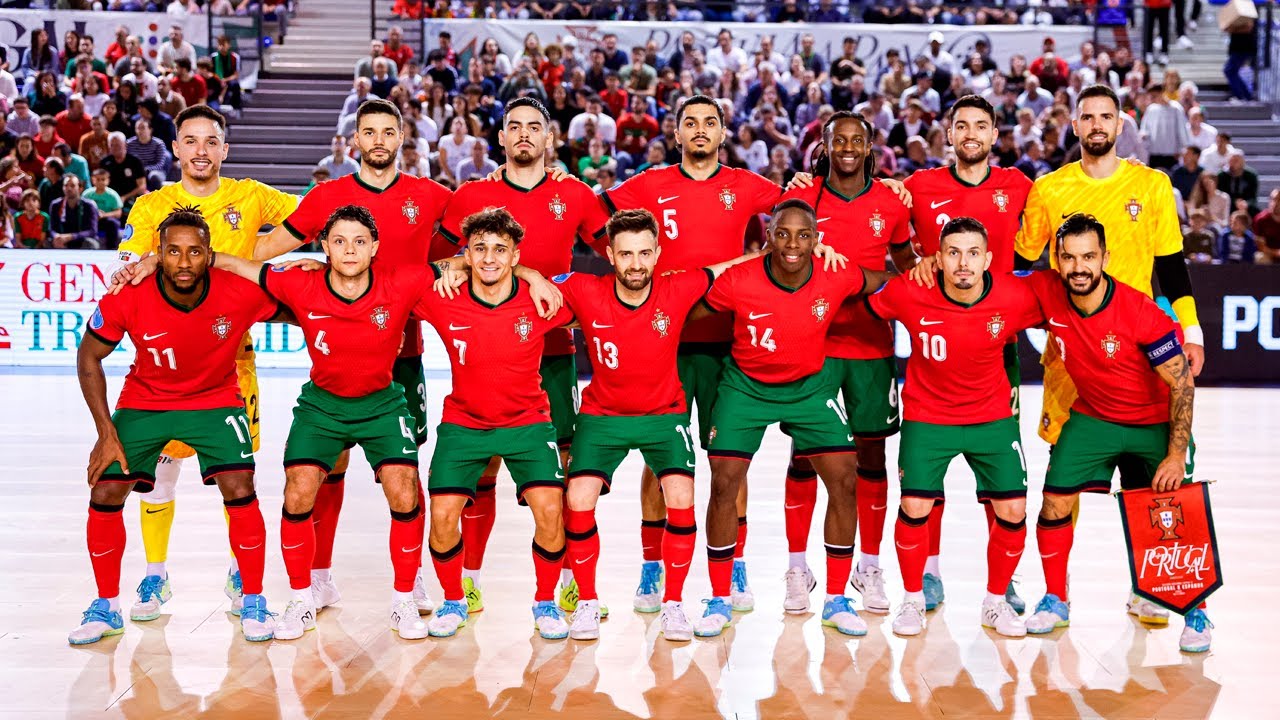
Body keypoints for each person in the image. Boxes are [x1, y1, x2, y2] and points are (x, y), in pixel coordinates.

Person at [252, 99, 454, 615]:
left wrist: (452, 265)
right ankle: (318, 576)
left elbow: (473, 244)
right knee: (326, 467)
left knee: (406, 475)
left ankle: (413, 584)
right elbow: (275, 244)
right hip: (342, 349)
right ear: (355, 141)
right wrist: (229, 265)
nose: (380, 140)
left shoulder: (430, 195)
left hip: (403, 353)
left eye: (389, 131)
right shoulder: (329, 196)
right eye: (370, 132)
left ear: (402, 137)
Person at [1015, 85, 1203, 624]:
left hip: (1143, 349)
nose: (1097, 124)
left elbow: (1172, 266)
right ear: (1074, 125)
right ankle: (1058, 588)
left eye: (1106, 116)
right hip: (1071, 354)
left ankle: (1150, 584)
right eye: (1087, 116)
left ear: (1121, 125)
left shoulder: (1152, 185)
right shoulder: (1049, 190)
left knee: (1150, 483)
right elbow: (1022, 263)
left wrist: (1192, 332)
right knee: (1062, 478)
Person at [208, 205, 434, 641]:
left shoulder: (401, 280)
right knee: (298, 489)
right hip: (322, 406)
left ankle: (404, 601)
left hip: (382, 404)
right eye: (339, 241)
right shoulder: (300, 281)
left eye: (359, 241)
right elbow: (244, 267)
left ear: (375, 248)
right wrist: (191, 257)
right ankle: (301, 598)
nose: (350, 249)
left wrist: (536, 277)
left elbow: (458, 264)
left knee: (405, 488)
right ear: (324, 247)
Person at [108, 105, 299, 622]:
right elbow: (125, 270)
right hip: (165, 366)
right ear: (175, 149)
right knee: (160, 476)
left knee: (235, 476)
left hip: (232, 363)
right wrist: (144, 261)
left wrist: (269, 253)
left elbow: (312, 217)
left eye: (210, 141)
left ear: (224, 149)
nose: (200, 150)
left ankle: (242, 572)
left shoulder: (251, 196)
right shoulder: (152, 207)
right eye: (189, 140)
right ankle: (155, 576)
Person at [602, 96, 784, 613]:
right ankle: (651, 567)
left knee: (730, 461)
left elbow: (801, 206)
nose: (700, 131)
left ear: (724, 132)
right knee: (662, 460)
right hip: (665, 344)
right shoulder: (649, 184)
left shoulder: (746, 184)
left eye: (710, 123)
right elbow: (597, 216)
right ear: (676, 132)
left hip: (730, 345)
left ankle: (738, 564)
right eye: (690, 123)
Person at [70, 208, 282, 646]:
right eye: (172, 252)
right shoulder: (130, 293)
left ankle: (254, 598)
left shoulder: (237, 291)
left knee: (240, 485)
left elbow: (303, 308)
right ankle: (106, 605)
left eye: (194, 252)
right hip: (148, 400)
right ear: (157, 254)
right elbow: (88, 355)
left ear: (210, 255)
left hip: (216, 398)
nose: (184, 262)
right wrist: (106, 432)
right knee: (105, 489)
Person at [546, 209, 758, 641]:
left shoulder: (676, 288)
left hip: (664, 415)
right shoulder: (585, 288)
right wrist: (530, 278)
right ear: (609, 254)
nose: (636, 263)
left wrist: (778, 253)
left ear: (659, 253)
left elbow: (726, 268)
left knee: (681, 492)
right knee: (577, 494)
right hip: (603, 416)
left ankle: (674, 605)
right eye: (626, 254)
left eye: (645, 253)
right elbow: (529, 282)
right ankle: (586, 601)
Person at [432, 97, 607, 615]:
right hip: (488, 352)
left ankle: (573, 582)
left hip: (551, 353)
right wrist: (523, 272)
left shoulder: (574, 193)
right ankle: (469, 580)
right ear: (501, 139)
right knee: (480, 468)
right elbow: (436, 260)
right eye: (515, 128)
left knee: (565, 474)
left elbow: (613, 252)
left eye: (535, 127)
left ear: (550, 139)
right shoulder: (471, 196)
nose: (525, 135)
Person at [691, 199, 888, 639]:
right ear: (768, 239)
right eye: (782, 234)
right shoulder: (740, 279)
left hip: (810, 388)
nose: (793, 244)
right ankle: (720, 599)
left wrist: (927, 276)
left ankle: (837, 599)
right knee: (723, 482)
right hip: (745, 387)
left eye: (803, 235)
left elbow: (882, 282)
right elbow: (690, 312)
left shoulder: (835, 273)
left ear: (817, 241)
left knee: (844, 478)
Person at [1022, 214, 1210, 654]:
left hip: (1153, 421)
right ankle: (1055, 598)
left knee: (1171, 510)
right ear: (1057, 259)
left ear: (1106, 258)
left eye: (1089, 256)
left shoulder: (1143, 314)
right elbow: (991, 284)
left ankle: (1195, 609)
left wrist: (1174, 455)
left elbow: (1182, 383)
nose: (1078, 267)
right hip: (1094, 417)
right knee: (1054, 501)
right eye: (1068, 257)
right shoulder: (1047, 290)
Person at [868, 217, 1045, 638]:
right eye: (952, 253)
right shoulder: (910, 291)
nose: (962, 263)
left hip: (992, 419)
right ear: (938, 258)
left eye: (971, 253)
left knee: (1013, 510)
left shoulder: (1014, 296)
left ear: (987, 259)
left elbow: (1065, 304)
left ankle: (995, 603)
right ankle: (912, 599)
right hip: (929, 418)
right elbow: (860, 303)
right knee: (915, 507)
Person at [776, 112, 916, 616]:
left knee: (871, 460)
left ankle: (870, 566)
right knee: (804, 458)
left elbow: (906, 265)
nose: (849, 148)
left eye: (858, 140)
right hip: (813, 349)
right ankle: (797, 567)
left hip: (872, 352)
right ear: (825, 146)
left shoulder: (890, 202)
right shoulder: (804, 197)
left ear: (871, 145)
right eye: (840, 141)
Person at [417, 208, 577, 640]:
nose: (490, 258)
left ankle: (545, 603)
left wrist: (536, 276)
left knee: (550, 510)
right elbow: (390, 280)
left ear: (515, 255)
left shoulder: (539, 299)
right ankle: (454, 600)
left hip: (528, 421)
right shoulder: (442, 296)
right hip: (464, 422)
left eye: (501, 250)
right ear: (466, 254)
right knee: (444, 515)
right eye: (480, 248)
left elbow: (606, 295)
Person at [49, 174, 100, 248]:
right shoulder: (55, 205)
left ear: (80, 188)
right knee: (48, 242)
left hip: (81, 239)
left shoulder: (89, 205)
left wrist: (71, 237)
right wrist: (57, 236)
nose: (68, 188)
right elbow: (52, 229)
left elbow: (92, 231)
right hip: (62, 240)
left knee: (91, 244)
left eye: (72, 186)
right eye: (66, 185)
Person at [98, 132, 147, 207]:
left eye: (117, 145)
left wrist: (124, 197)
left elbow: (142, 186)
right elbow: (100, 183)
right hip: (110, 198)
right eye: (112, 145)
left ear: (125, 145)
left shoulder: (135, 161)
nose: (114, 148)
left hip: (131, 198)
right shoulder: (104, 163)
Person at [84, 167, 124, 247]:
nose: (100, 182)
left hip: (105, 220)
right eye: (98, 179)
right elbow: (82, 209)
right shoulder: (87, 194)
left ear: (108, 180)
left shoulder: (113, 195)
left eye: (103, 179)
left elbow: (118, 212)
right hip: (91, 220)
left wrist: (103, 215)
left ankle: (111, 247)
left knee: (113, 223)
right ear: (93, 180)